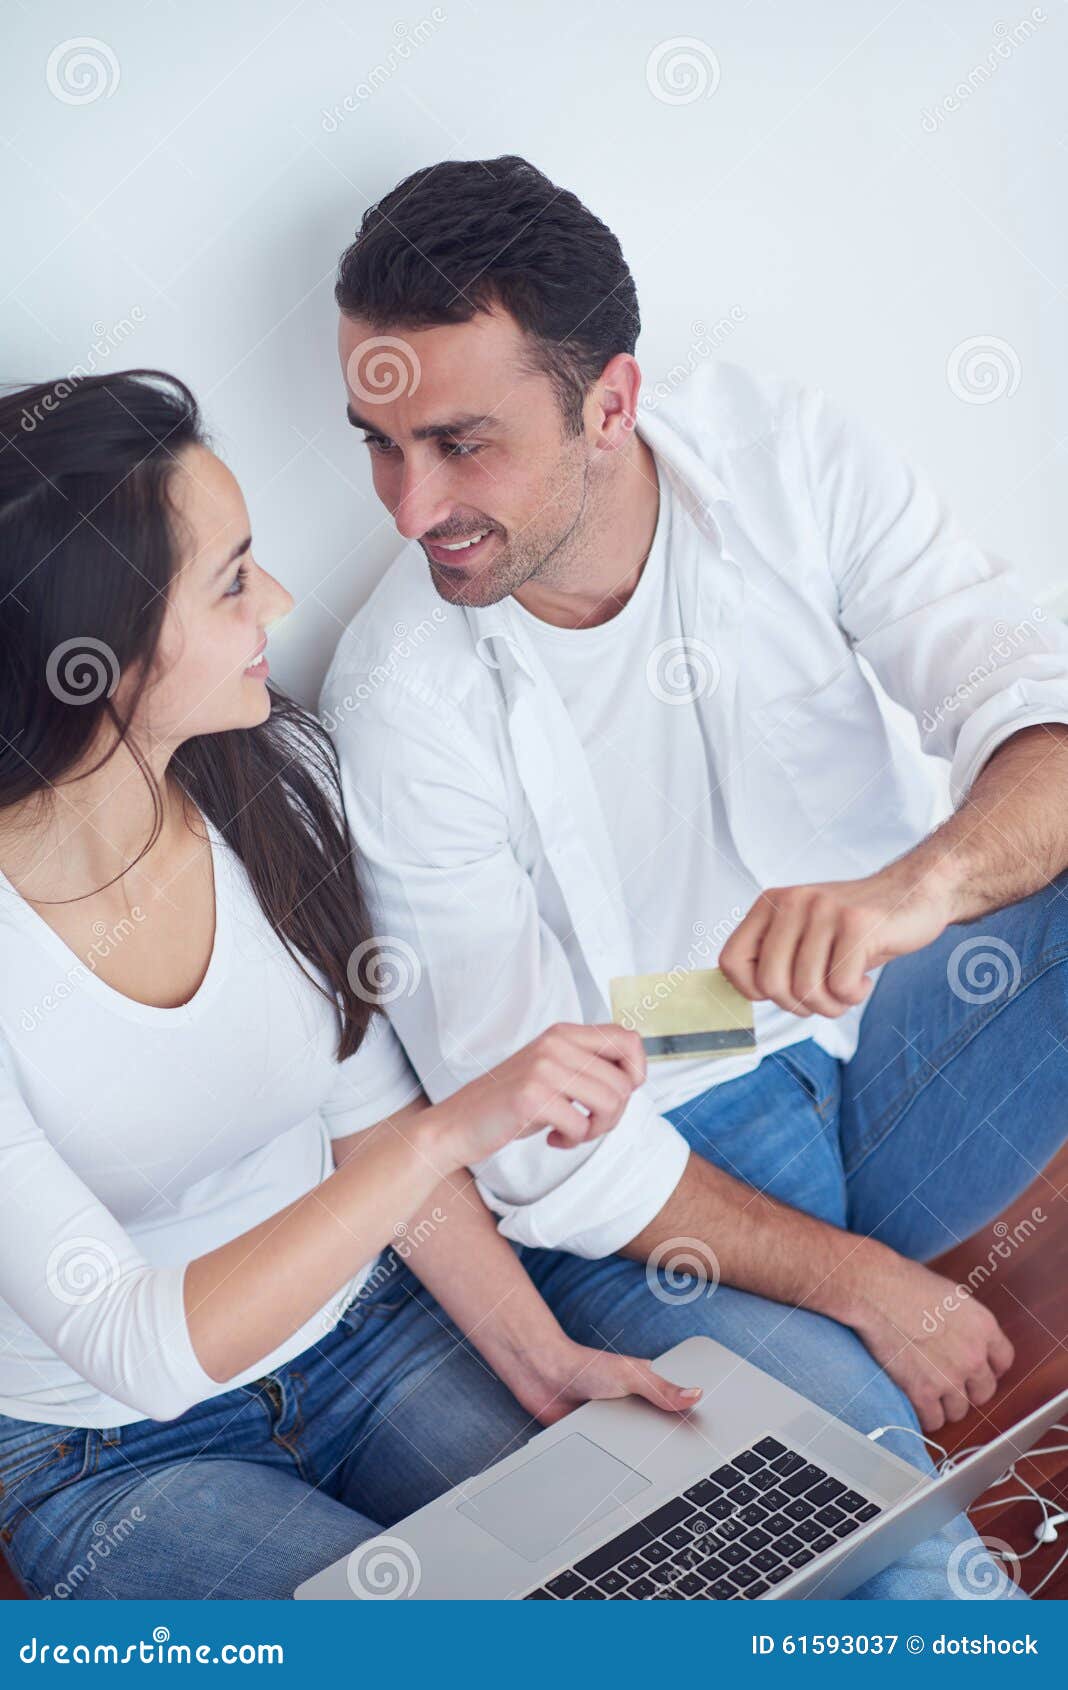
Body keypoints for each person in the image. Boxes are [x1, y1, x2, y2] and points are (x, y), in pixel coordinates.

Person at [321, 156, 1068, 1599]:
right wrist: (868, 1288)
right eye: (379, 445)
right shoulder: (398, 691)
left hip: (867, 1017)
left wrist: (915, 893)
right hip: (653, 1159)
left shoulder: (783, 455)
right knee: (878, 1550)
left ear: (610, 402)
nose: (410, 510)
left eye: (461, 444)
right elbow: (537, 1141)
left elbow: (1032, 701)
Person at [0, 370, 706, 1602]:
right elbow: (134, 1344)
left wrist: (540, 1361)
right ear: (94, 656)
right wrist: (452, 1131)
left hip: (368, 1334)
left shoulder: (271, 779)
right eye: (231, 581)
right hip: (105, 1453)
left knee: (651, 1582)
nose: (277, 601)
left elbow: (367, 1117)